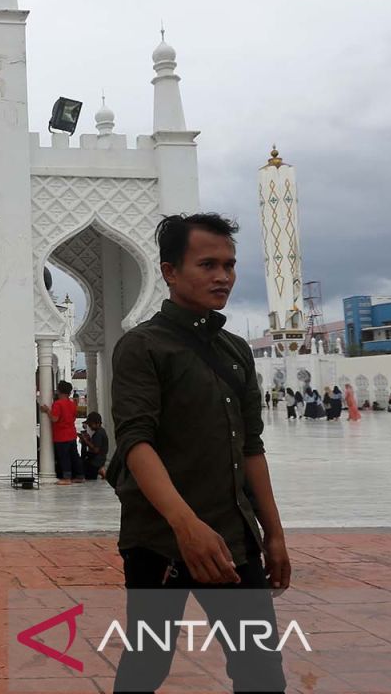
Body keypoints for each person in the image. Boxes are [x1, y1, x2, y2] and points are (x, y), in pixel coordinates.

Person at [111, 213, 289, 693]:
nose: (223, 277)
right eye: (207, 264)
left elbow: (251, 447)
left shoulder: (234, 350)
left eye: (229, 265)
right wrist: (185, 527)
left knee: (261, 672)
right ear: (170, 272)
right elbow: (135, 442)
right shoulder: (142, 347)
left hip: (233, 539)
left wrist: (273, 533)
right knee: (147, 665)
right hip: (161, 542)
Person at [39, 380, 81, 483]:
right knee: (74, 456)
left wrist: (47, 410)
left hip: (61, 435)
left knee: (64, 457)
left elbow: (54, 419)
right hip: (71, 433)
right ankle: (80, 476)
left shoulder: (58, 404)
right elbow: (74, 417)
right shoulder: (72, 404)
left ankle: (66, 478)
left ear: (59, 391)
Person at [79, 412, 110, 480]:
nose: (89, 426)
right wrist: (88, 440)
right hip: (99, 459)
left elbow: (96, 450)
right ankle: (100, 470)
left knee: (82, 471)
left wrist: (86, 441)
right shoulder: (101, 431)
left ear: (97, 423)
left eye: (90, 424)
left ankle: (100, 470)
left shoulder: (99, 434)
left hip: (96, 461)